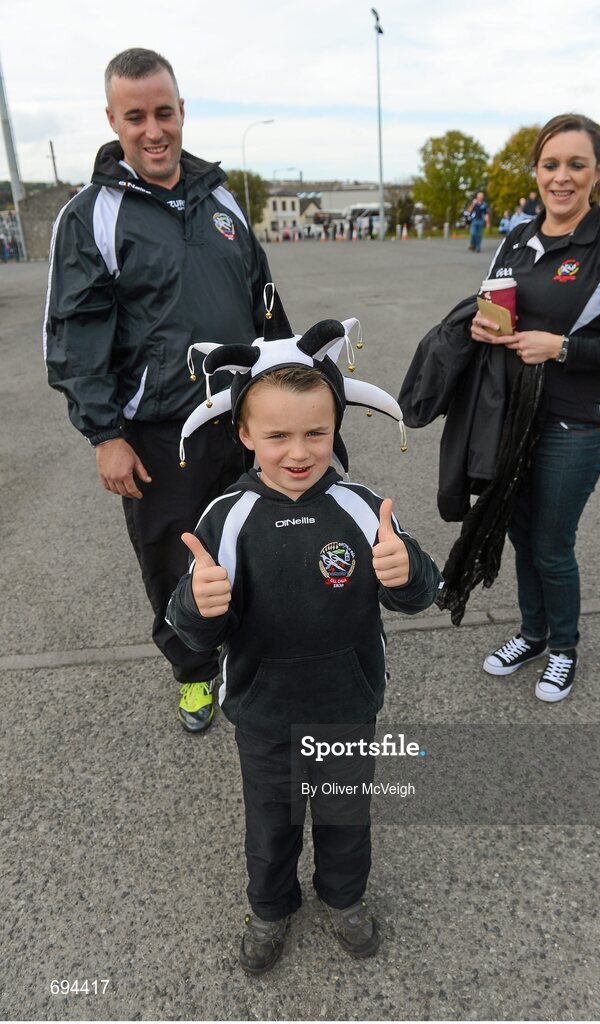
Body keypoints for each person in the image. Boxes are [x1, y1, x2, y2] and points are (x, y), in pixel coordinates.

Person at [167, 290, 442, 972]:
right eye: (277, 435)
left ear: (336, 427)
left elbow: (420, 594)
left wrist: (406, 570)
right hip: (263, 713)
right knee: (271, 824)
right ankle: (270, 909)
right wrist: (198, 605)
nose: (298, 452)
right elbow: (192, 634)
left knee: (346, 819)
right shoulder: (225, 517)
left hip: (347, 704)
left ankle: (344, 898)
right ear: (243, 434)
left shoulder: (361, 507)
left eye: (315, 433)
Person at [44, 48, 271, 732]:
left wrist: (294, 393)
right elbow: (75, 332)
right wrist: (105, 435)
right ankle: (194, 674)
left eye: (163, 113)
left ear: (181, 111)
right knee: (176, 561)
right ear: (112, 120)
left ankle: (250, 653)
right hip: (160, 433)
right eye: (135, 116)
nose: (153, 130)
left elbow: (263, 302)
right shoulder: (91, 215)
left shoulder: (223, 199)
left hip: (243, 419)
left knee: (254, 545)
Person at [466, 112, 600, 702]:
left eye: (577, 164)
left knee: (551, 540)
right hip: (514, 414)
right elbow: (494, 306)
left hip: (578, 419)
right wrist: (484, 326)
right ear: (537, 171)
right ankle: (531, 631)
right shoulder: (517, 235)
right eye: (551, 165)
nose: (563, 177)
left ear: (598, 171)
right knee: (520, 532)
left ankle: (564, 647)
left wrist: (564, 347)